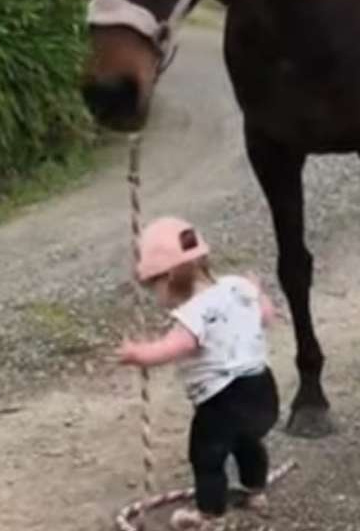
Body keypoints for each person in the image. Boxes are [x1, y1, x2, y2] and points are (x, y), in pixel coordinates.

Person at [116, 216, 279, 531]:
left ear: (171, 276)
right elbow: (266, 314)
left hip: (222, 400)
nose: (156, 296)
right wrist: (258, 292)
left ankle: (210, 514)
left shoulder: (195, 312)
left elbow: (174, 346)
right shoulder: (237, 286)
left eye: (155, 286)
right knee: (248, 442)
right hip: (262, 390)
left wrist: (139, 355)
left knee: (207, 456)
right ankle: (255, 491)